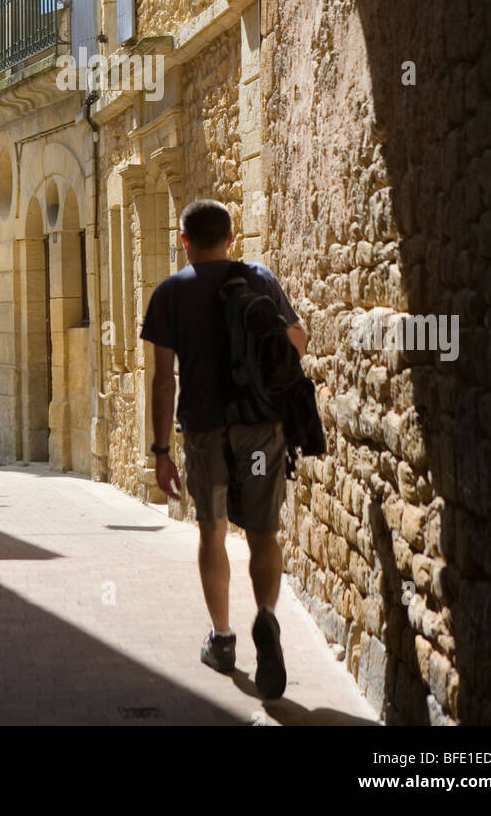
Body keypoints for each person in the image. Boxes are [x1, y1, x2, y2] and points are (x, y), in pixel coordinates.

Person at [140, 198, 309, 699]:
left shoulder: (170, 293)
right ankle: (267, 619)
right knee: (262, 531)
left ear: (183, 240)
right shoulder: (258, 278)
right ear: (231, 239)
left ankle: (223, 638)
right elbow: (298, 339)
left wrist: (161, 449)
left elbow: (162, 380)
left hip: (206, 432)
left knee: (212, 530)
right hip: (260, 430)